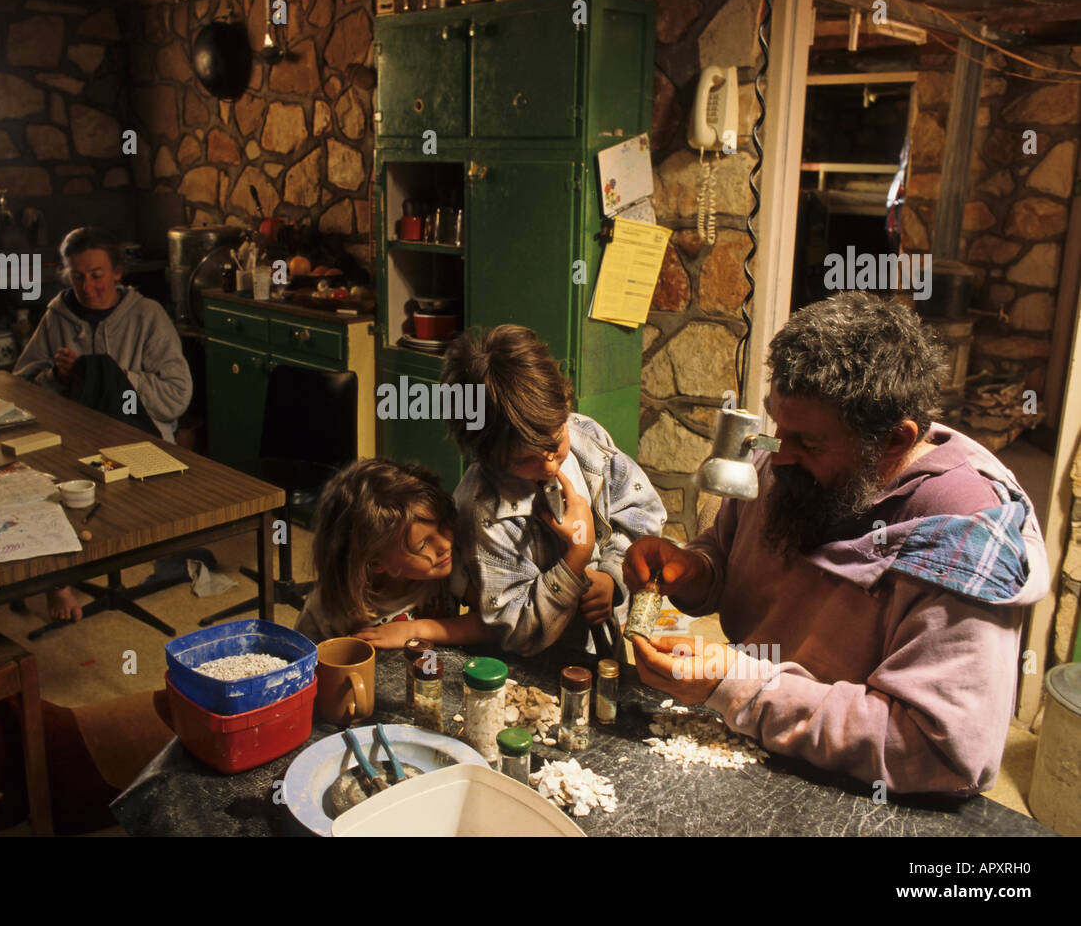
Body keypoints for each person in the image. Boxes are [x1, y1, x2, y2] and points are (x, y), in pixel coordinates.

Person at [623, 291, 1049, 797]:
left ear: (893, 440)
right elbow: (730, 551)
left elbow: (943, 753)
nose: (778, 456)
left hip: (863, 797)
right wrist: (695, 570)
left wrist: (736, 684)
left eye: (807, 442)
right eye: (779, 427)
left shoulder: (961, 542)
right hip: (755, 742)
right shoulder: (793, 459)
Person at [442, 324, 666, 656]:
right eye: (523, 461)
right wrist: (577, 555)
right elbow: (518, 630)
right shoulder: (483, 510)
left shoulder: (585, 435)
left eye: (554, 443)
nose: (549, 466)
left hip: (602, 649)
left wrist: (612, 576)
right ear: (486, 453)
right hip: (533, 669)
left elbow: (644, 512)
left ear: (564, 402)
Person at [13, 226, 193, 620]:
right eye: (77, 276)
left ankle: (80, 569)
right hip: (74, 438)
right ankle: (56, 582)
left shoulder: (147, 317)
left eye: (96, 275)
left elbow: (178, 395)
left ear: (117, 272)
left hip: (138, 438)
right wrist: (56, 379)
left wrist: (120, 377)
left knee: (114, 484)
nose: (87, 286)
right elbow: (21, 387)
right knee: (34, 476)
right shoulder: (57, 316)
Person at [293, 458, 493, 648]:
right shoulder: (328, 607)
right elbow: (299, 667)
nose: (445, 544)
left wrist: (416, 630)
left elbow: (493, 625)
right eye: (423, 545)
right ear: (375, 563)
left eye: (442, 525)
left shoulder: (451, 568)